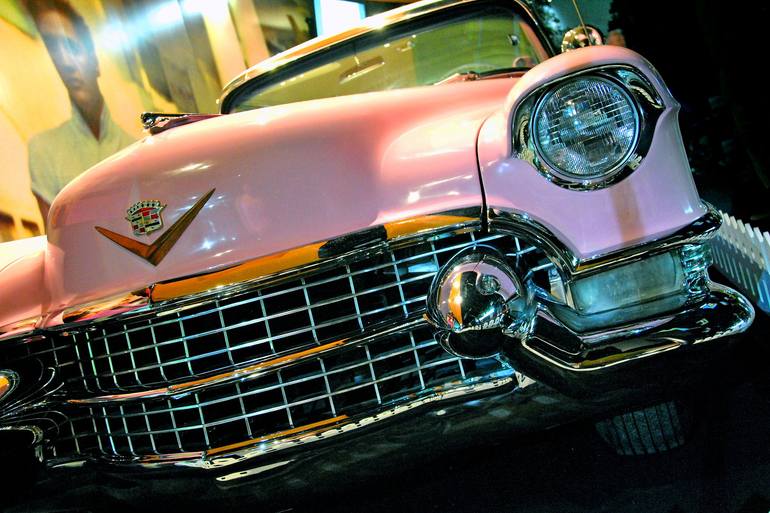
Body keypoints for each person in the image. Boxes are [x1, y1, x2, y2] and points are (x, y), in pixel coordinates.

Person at [25, 0, 134, 223]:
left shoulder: (135, 149)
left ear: (94, 58)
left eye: (72, 47)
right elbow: (58, 246)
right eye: (55, 50)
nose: (66, 62)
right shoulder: (44, 151)